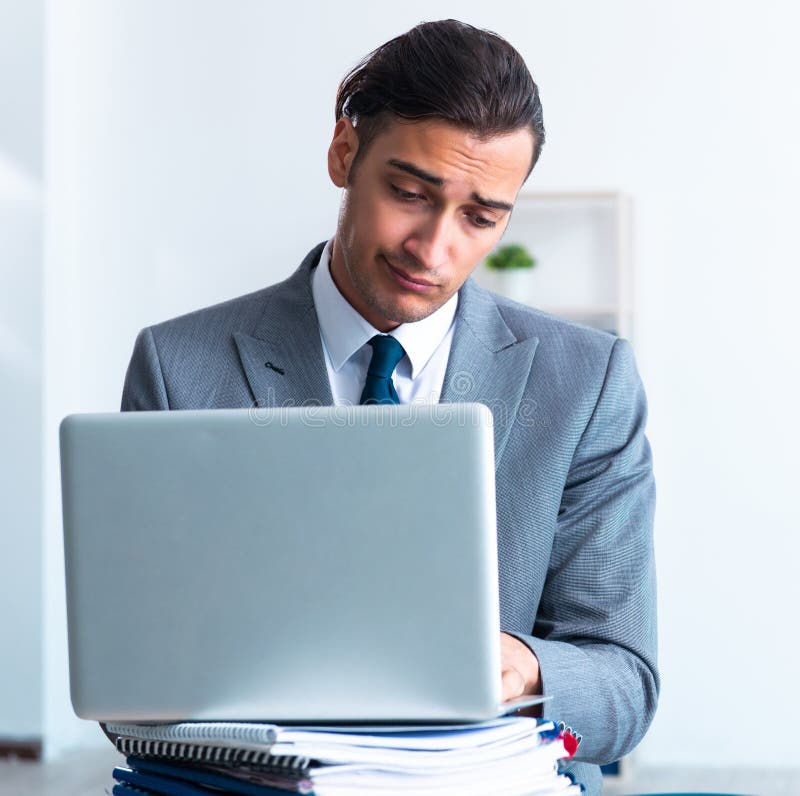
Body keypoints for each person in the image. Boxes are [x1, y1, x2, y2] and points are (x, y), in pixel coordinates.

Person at [121, 19, 658, 793]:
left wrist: (523, 665)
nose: (433, 249)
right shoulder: (180, 368)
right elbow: (137, 660)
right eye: (410, 193)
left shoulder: (588, 383)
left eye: (481, 217)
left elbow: (626, 684)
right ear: (345, 153)